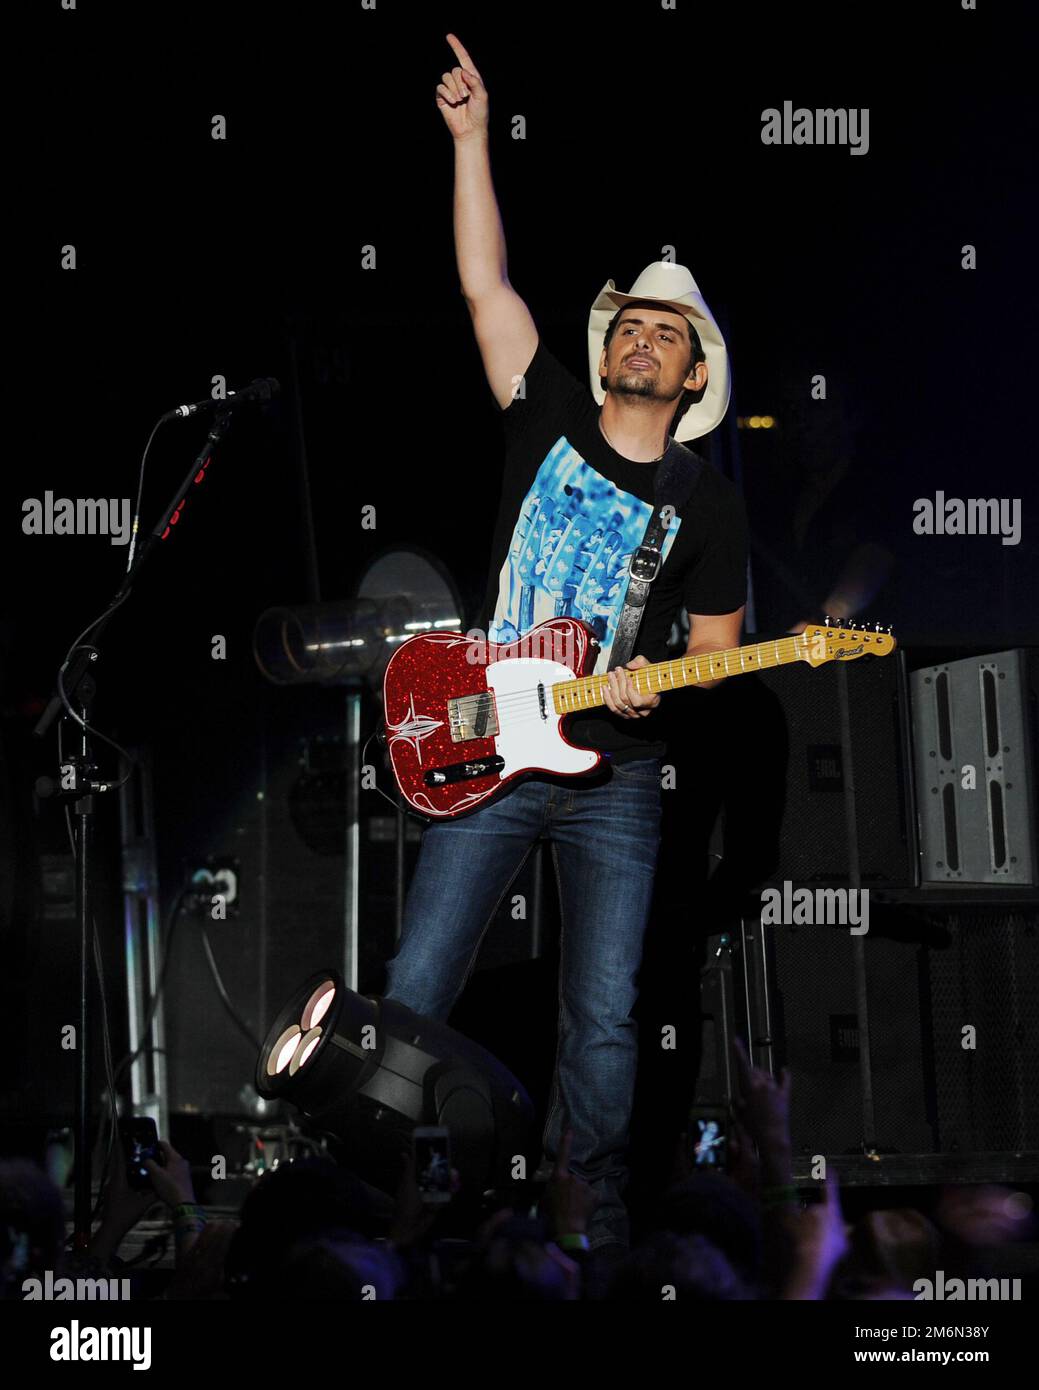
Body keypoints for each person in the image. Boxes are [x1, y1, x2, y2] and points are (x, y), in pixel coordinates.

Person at [382, 34, 748, 1256]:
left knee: (601, 1015)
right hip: (486, 744)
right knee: (419, 978)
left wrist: (661, 698)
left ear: (692, 372)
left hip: (616, 785)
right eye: (631, 324)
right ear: (607, 349)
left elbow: (721, 652)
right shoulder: (543, 410)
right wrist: (474, 140)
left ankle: (584, 1209)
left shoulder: (705, 500)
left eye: (668, 332)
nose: (644, 338)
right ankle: (375, 1185)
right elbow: (485, 285)